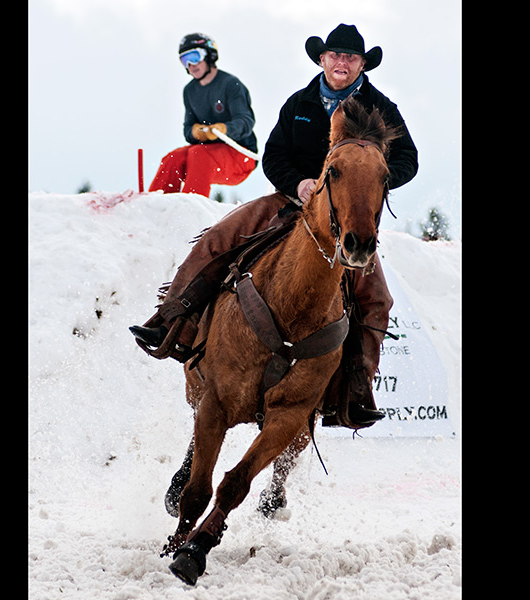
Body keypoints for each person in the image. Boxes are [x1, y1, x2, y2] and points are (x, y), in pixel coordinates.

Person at [131, 24, 419, 428]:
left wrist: (372, 179)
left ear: (362, 64)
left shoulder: (381, 108)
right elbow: (273, 156)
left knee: (376, 299)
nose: (341, 62)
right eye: (334, 55)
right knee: (218, 239)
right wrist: (298, 183)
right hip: (291, 201)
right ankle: (172, 322)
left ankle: (354, 390)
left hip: (346, 218)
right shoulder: (299, 102)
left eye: (350, 57)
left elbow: (408, 159)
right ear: (322, 60)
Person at [147, 33, 259, 198]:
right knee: (173, 158)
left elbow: (246, 121)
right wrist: (196, 132)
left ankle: (190, 212)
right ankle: (155, 206)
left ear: (209, 55)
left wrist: (224, 129)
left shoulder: (230, 84)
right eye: (185, 60)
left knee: (198, 154)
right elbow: (187, 129)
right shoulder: (190, 91)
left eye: (194, 57)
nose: (191, 65)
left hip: (241, 154)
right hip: (207, 151)